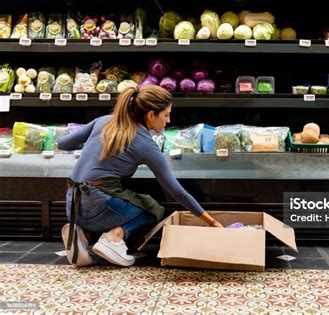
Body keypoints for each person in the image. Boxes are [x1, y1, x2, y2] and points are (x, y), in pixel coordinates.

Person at [58, 85, 223, 268]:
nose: (168, 120)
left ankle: (82, 235)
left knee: (119, 198)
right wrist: (212, 222)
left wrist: (97, 147)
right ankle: (114, 238)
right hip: (98, 209)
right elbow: (177, 192)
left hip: (71, 205)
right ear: (151, 115)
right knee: (153, 208)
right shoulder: (144, 142)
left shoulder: (105, 120)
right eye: (166, 114)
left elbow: (63, 143)